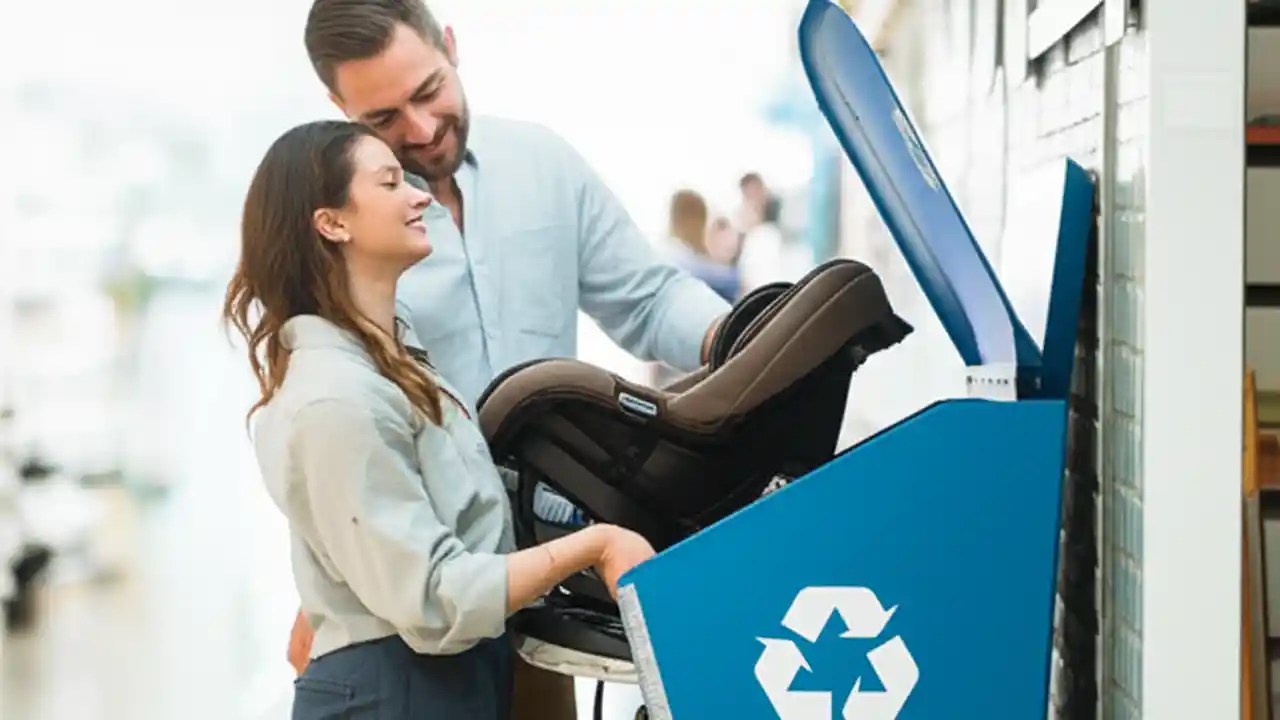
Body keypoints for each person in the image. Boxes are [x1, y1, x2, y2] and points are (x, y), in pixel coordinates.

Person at [289, 0, 733, 708]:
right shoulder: (347, 229)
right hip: (419, 567)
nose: (423, 130)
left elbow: (648, 300)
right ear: (339, 107)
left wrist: (752, 340)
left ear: (452, 46)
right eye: (384, 120)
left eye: (428, 91)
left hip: (543, 555)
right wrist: (331, 572)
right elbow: (321, 423)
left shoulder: (544, 164)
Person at [224, 119, 657, 719]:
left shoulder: (395, 362)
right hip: (394, 691)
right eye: (390, 183)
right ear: (333, 222)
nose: (420, 194)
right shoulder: (334, 398)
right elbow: (432, 596)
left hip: (448, 681)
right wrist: (594, 546)